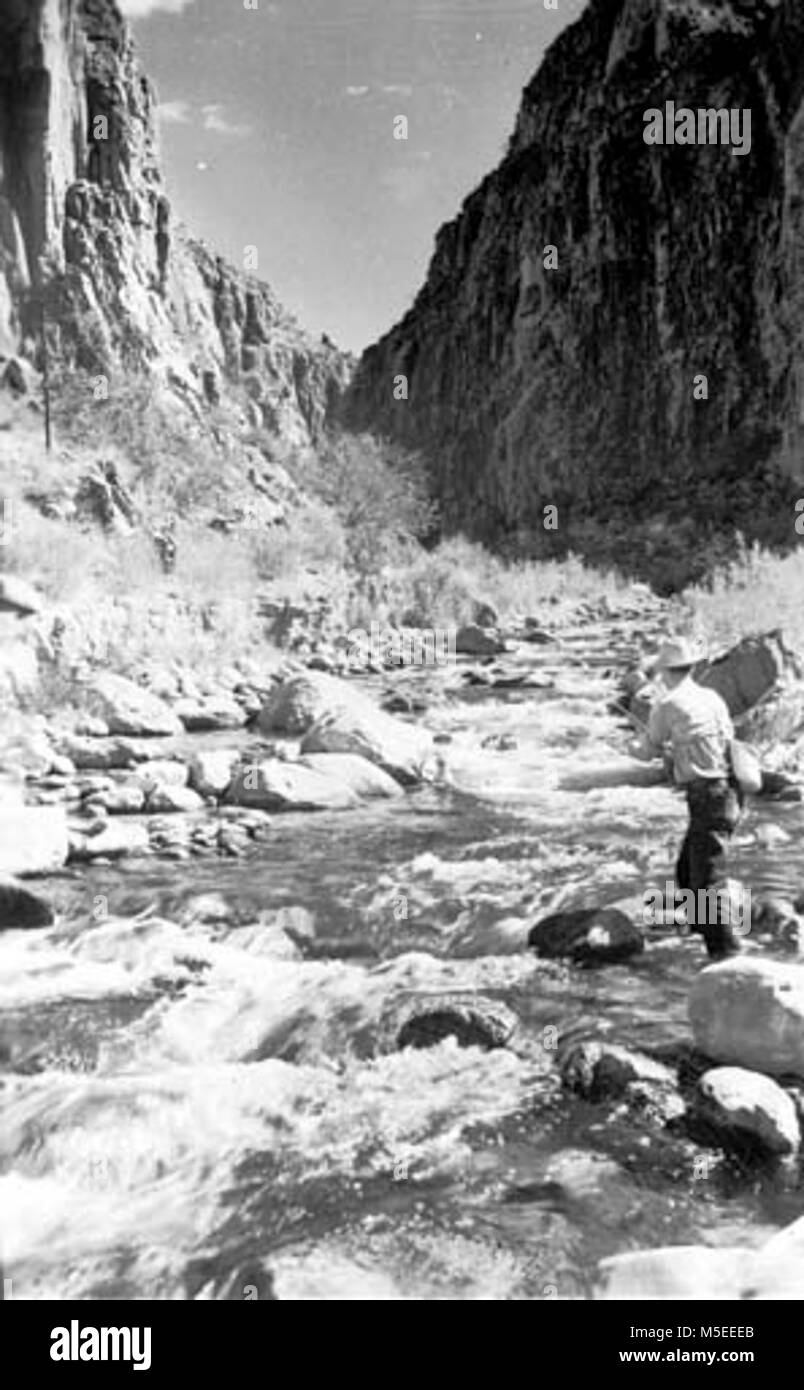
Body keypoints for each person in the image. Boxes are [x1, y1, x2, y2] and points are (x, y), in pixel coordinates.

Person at [629, 637, 743, 960]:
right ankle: (691, 933)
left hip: (708, 796)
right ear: (692, 667)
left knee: (708, 882)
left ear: (664, 671)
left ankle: (727, 955)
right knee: (685, 870)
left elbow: (647, 750)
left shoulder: (667, 705)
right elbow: (724, 738)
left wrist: (629, 747)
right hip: (729, 794)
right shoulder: (712, 697)